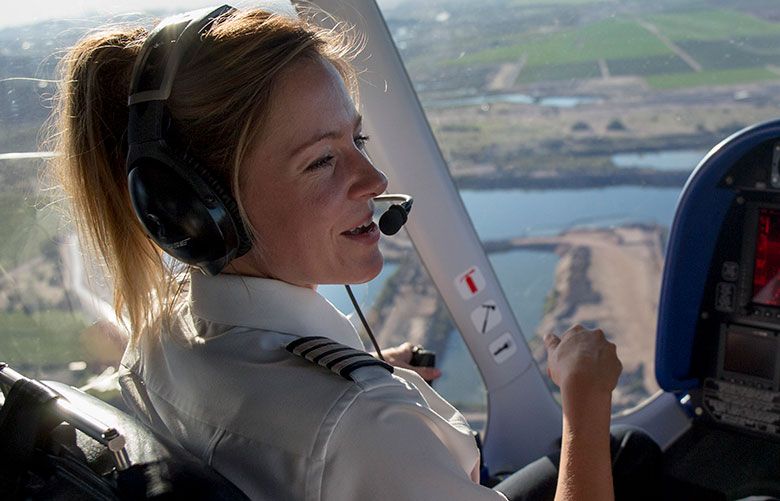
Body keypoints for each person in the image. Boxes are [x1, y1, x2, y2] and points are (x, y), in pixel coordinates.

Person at [50, 5, 657, 500]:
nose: (373, 178)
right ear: (195, 205)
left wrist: (366, 370)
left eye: (356, 138)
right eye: (321, 160)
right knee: (624, 451)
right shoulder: (366, 431)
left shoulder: (162, 333)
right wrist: (584, 396)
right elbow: (340, 441)